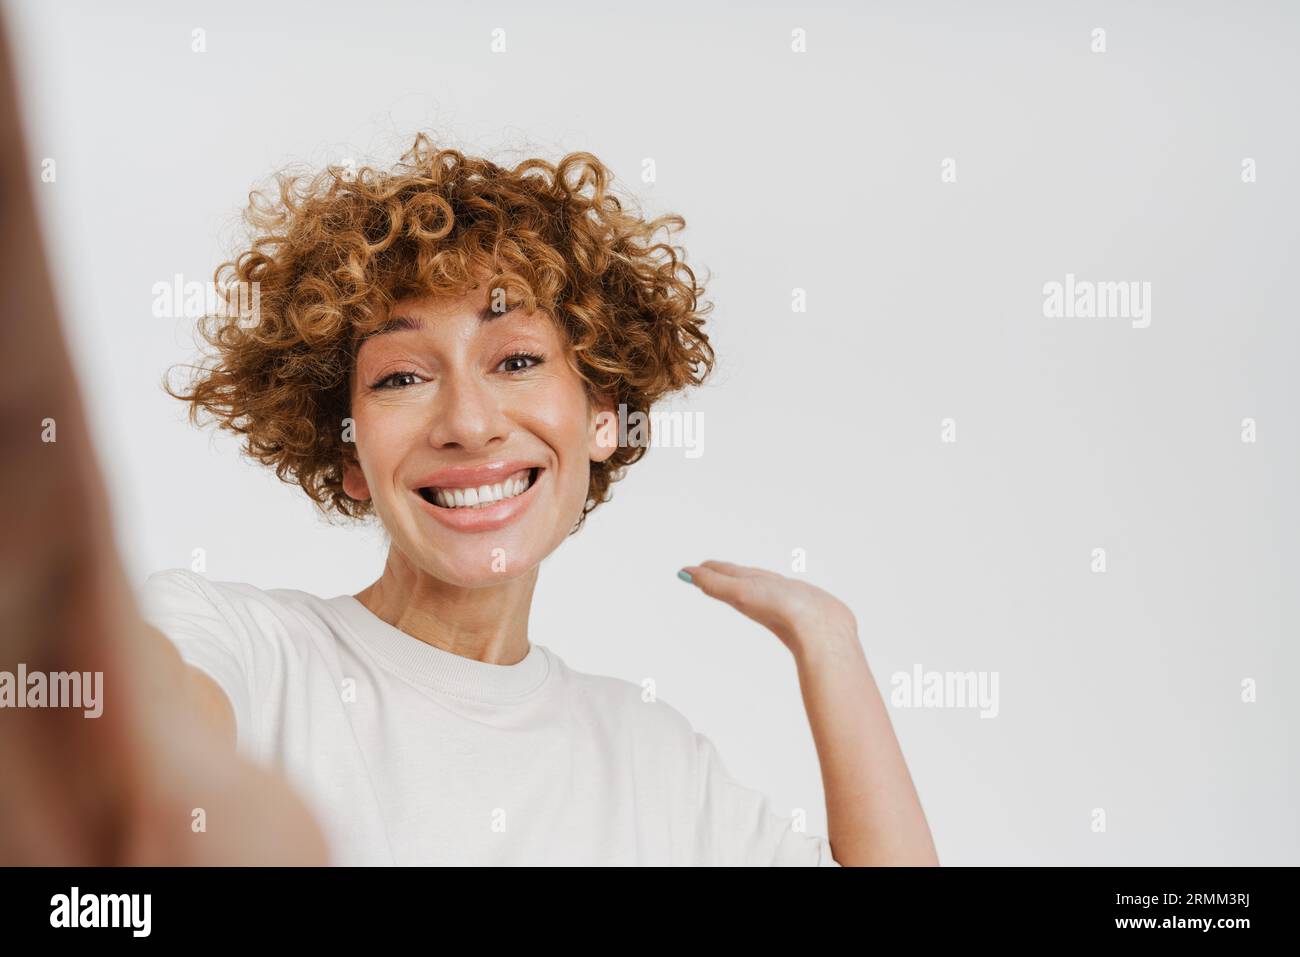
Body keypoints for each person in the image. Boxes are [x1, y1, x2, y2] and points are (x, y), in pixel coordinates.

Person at [0, 14, 937, 863]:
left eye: (517, 359)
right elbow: (139, 759)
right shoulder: (241, 644)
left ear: (603, 412)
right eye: (402, 376)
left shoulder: (653, 760)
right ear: (346, 455)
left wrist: (831, 641)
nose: (468, 420)